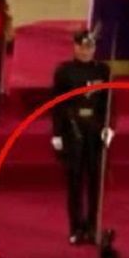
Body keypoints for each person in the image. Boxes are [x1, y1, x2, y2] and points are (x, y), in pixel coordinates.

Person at [52, 27, 114, 245]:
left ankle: (92, 226)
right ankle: (76, 227)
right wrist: (57, 133)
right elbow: (57, 104)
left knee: (96, 183)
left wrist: (110, 127)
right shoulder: (64, 72)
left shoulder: (103, 71)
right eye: (82, 46)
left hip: (95, 132)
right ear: (75, 46)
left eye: (90, 47)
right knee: (75, 182)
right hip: (73, 131)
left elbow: (108, 102)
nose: (86, 51)